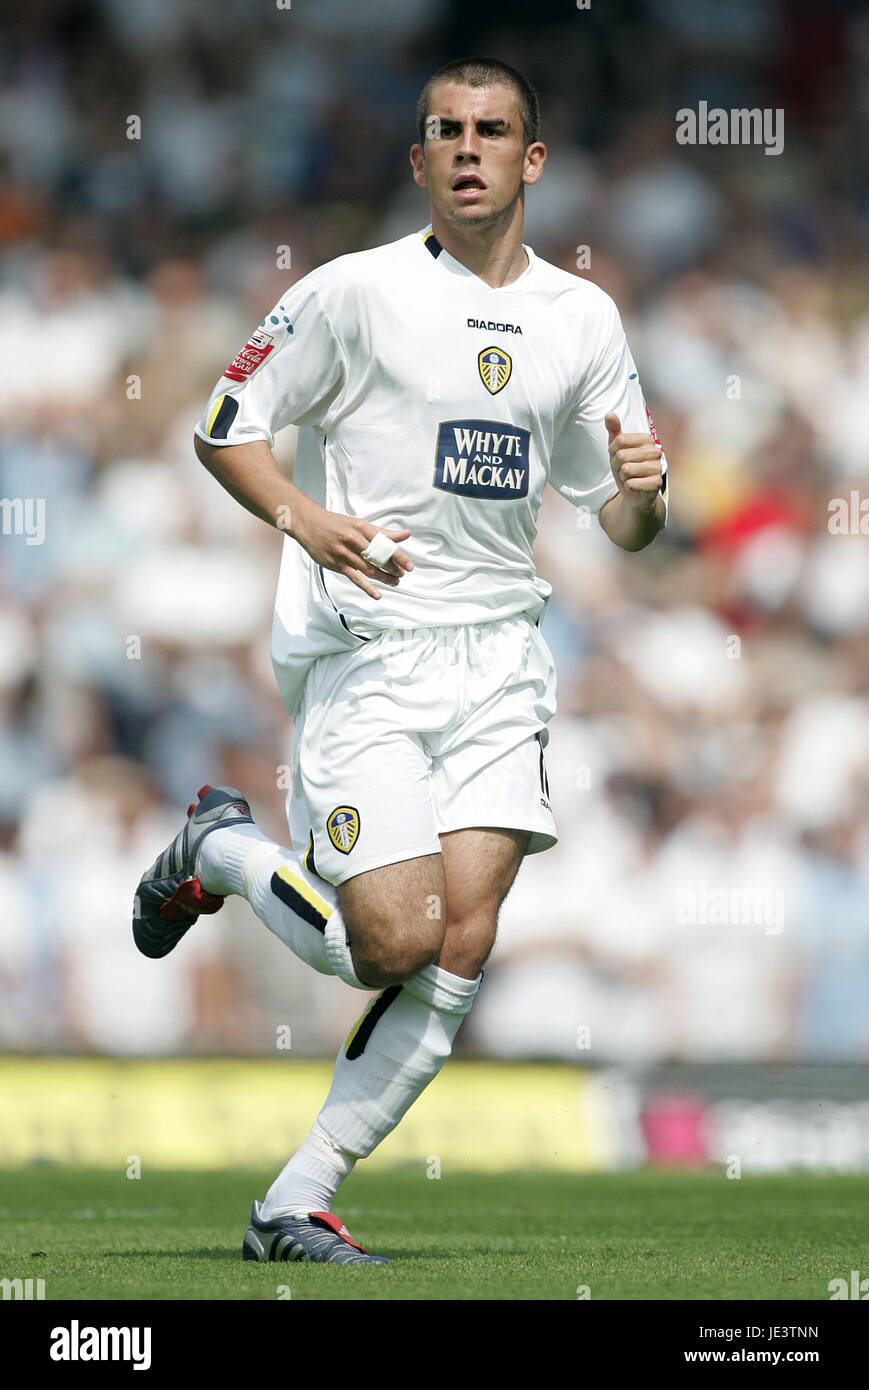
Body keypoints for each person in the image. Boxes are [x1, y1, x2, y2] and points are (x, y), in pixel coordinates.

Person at [132, 55, 668, 1265]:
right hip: (369, 648)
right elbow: (227, 427)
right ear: (417, 158)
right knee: (391, 940)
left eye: (492, 131)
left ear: (531, 160)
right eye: (446, 131)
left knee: (460, 940)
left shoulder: (582, 318)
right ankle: (219, 846)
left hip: (500, 658)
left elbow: (619, 515)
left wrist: (644, 497)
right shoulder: (349, 292)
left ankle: (295, 1197)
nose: (468, 148)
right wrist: (305, 520)